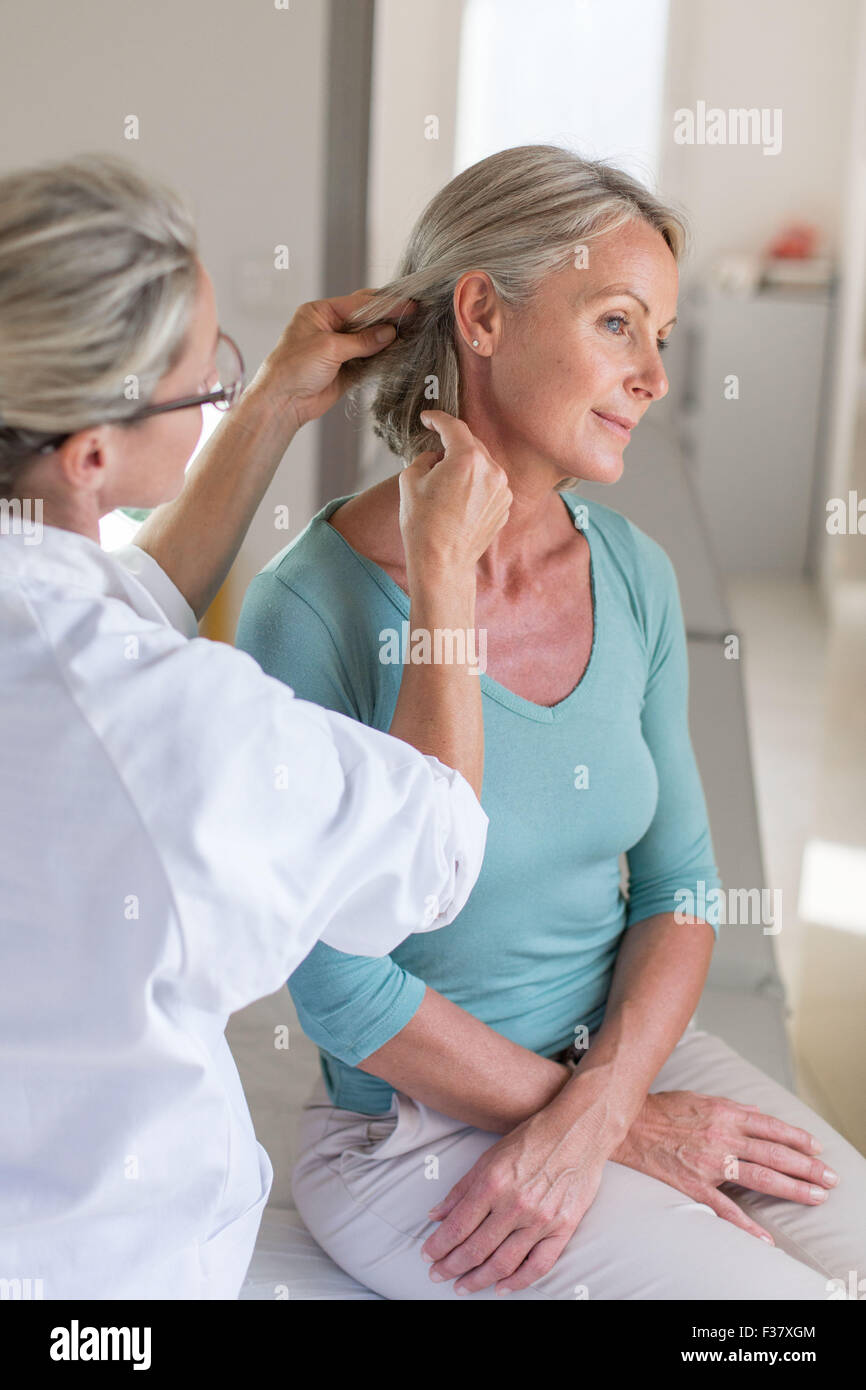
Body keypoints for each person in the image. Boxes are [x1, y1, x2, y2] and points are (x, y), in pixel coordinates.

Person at [236, 144, 866, 1301]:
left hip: (631, 1062)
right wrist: (600, 1126)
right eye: (618, 324)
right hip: (418, 1131)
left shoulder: (633, 574)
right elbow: (340, 988)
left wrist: (609, 1102)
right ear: (481, 312)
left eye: (661, 339)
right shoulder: (307, 607)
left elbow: (679, 884)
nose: (653, 379)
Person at [0, 152, 512, 1299]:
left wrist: (278, 395)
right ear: (92, 455)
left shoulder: (62, 619)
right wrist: (445, 571)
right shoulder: (176, 720)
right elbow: (437, 852)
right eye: (205, 382)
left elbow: (97, 602)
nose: (222, 392)